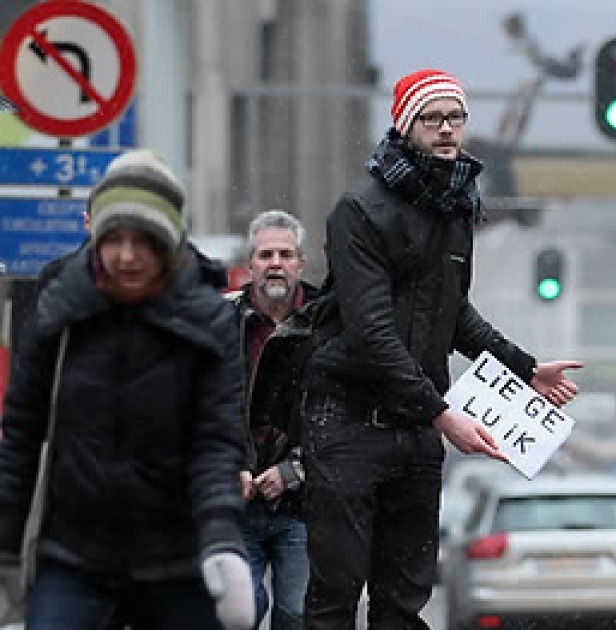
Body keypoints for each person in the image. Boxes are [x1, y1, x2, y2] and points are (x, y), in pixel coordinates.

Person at [299, 68, 583, 629]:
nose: (448, 129)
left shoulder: (455, 207)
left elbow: (452, 313)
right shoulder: (360, 209)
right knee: (336, 594)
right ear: (406, 127)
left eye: (456, 118)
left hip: (417, 431)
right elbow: (370, 330)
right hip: (347, 420)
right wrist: (442, 414)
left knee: (404, 600)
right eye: (433, 118)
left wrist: (524, 368)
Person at [0, 150, 255, 630]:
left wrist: (222, 540)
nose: (126, 255)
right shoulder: (59, 312)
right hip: (74, 555)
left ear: (170, 244)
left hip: (178, 558)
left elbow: (215, 444)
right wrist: (4, 548)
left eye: (145, 240)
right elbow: (21, 438)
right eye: (113, 239)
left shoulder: (210, 322)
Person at [226, 210, 317, 630]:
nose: (275, 263)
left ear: (301, 262)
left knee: (296, 615)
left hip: (305, 504)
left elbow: (339, 416)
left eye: (285, 253)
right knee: (239, 614)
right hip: (235, 503)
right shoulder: (222, 323)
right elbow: (206, 406)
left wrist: (294, 470)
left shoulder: (327, 324)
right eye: (265, 255)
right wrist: (232, 468)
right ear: (250, 265)